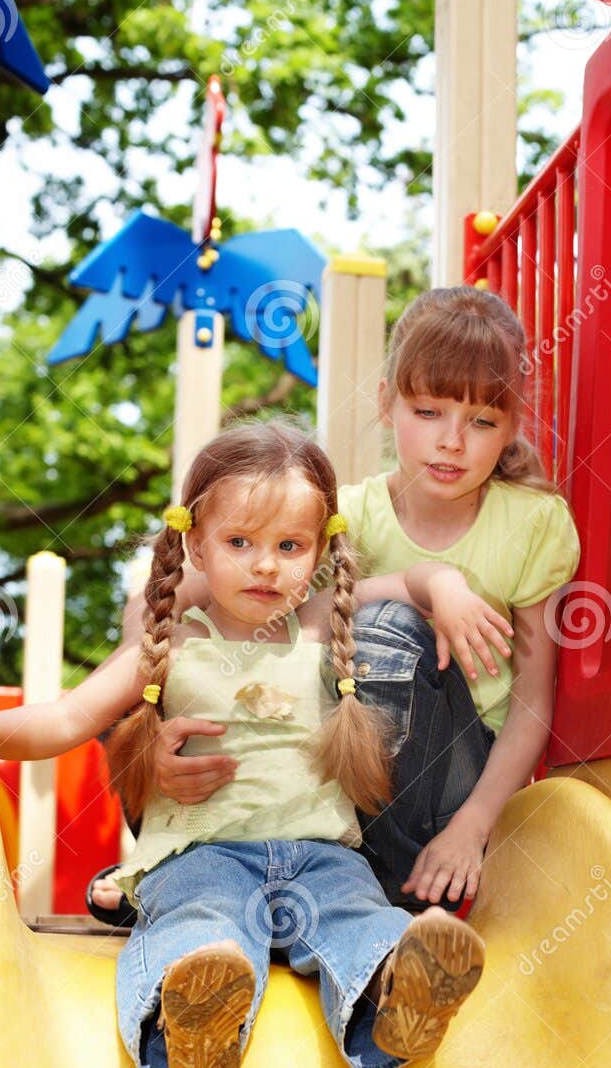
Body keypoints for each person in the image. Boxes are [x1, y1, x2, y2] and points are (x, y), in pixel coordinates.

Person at [0, 422, 506, 1068]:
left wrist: (447, 586)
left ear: (318, 552)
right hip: (204, 854)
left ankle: (397, 1004)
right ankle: (191, 1025)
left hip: (323, 854)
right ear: (196, 544)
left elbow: (413, 580)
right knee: (204, 921)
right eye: (239, 543)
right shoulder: (166, 648)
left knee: (361, 920)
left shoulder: (318, 625)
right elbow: (67, 716)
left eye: (289, 546)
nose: (265, 565)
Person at [86, 286, 582, 926]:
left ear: (511, 425)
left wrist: (473, 826)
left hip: (440, 790)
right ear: (387, 403)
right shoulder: (341, 513)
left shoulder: (533, 524)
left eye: (483, 421)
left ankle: (353, 890)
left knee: (384, 632)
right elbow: (158, 599)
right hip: (317, 788)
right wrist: (147, 706)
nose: (453, 442)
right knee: (160, 660)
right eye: (428, 411)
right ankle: (182, 872)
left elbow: (532, 702)